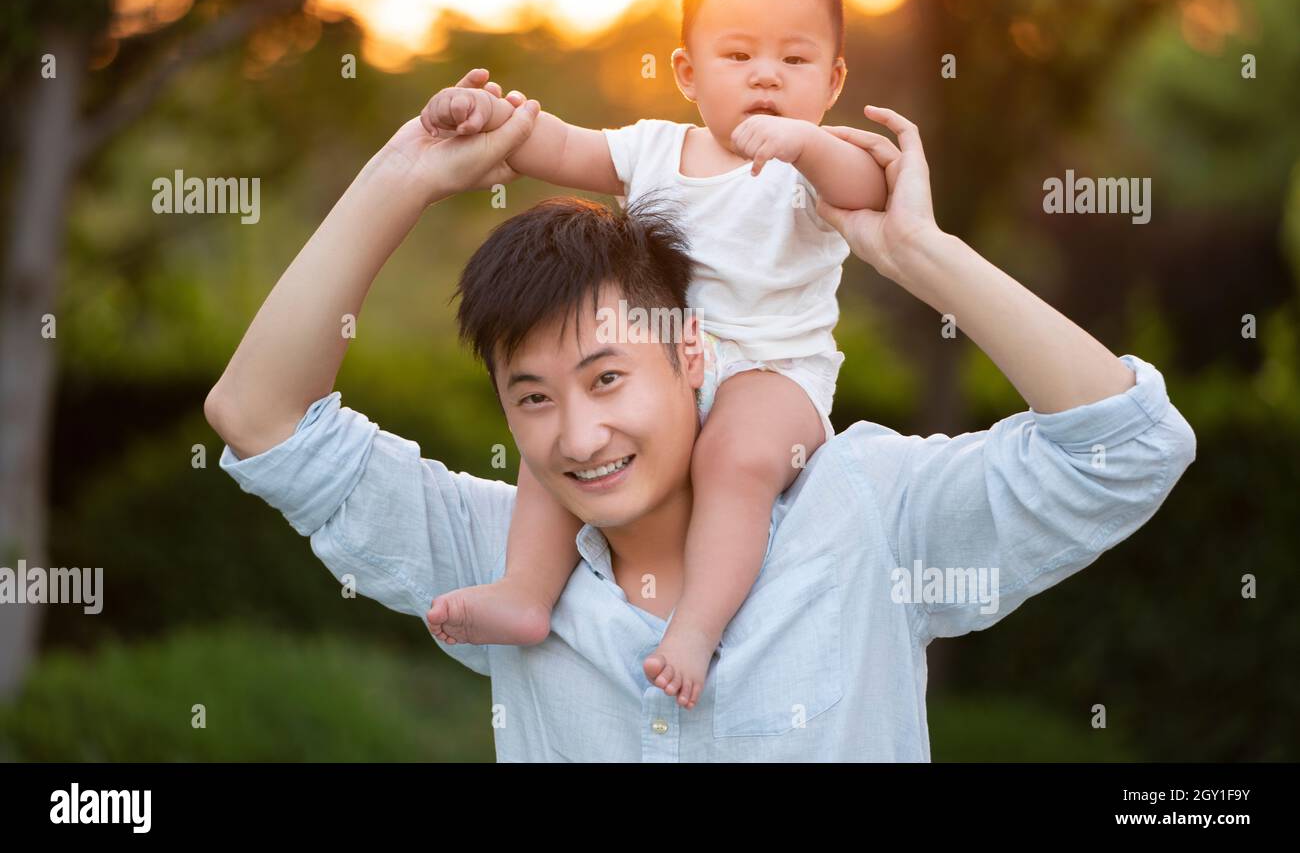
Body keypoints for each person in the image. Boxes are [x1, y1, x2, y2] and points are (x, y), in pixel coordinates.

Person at [205, 70, 1197, 761]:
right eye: (532, 398)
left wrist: (917, 254)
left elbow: (1125, 449)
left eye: (605, 379)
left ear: (690, 356)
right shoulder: (496, 554)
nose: (578, 437)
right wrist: (407, 172)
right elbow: (258, 415)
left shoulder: (864, 515)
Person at [421, 0, 888, 711]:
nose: (766, 74)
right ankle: (526, 591)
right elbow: (563, 145)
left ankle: (697, 628)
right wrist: (488, 115)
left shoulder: (817, 166)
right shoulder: (657, 149)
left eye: (796, 61)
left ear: (833, 80)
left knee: (734, 462)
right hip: (662, 364)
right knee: (560, 450)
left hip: (775, 375)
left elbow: (870, 184)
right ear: (687, 72)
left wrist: (805, 143)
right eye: (738, 54)